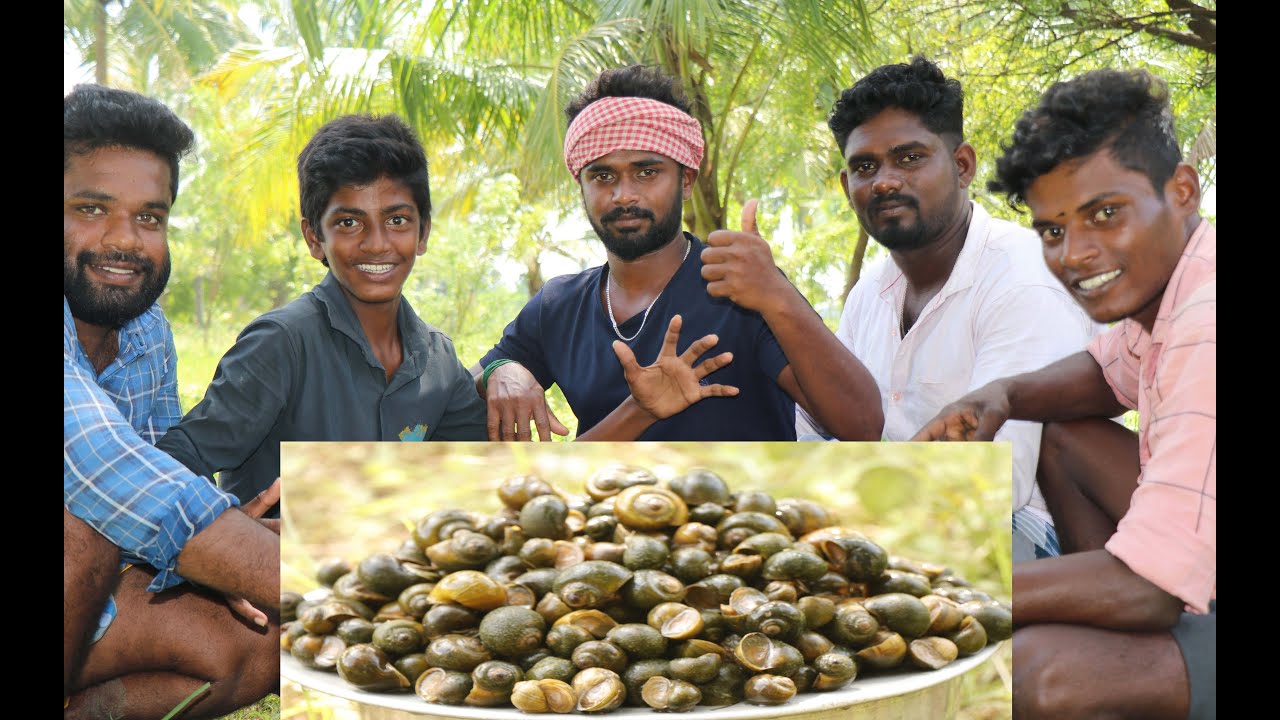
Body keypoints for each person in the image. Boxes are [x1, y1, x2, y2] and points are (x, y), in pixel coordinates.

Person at [914, 68, 1215, 720]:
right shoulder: (1169, 289)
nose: (1076, 254)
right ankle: (1129, 659)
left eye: (1105, 214)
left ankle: (1123, 675)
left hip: (1167, 584)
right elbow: (1103, 378)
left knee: (1035, 671)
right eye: (1053, 230)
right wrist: (1002, 395)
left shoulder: (1207, 320)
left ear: (1181, 190)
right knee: (1060, 426)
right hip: (1188, 572)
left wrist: (939, 589)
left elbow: (1150, 585)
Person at [473, 64, 883, 442]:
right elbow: (456, 394)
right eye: (602, 176)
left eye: (647, 172)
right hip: (606, 517)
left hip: (744, 518)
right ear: (581, 185)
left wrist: (777, 294)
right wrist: (501, 368)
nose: (624, 194)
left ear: (686, 180)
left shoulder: (738, 289)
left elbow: (861, 426)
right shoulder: (558, 305)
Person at [795, 57, 1100, 562]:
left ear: (962, 166)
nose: (884, 181)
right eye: (864, 166)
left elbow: (998, 480)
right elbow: (821, 435)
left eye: (909, 158)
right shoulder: (869, 294)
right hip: (893, 524)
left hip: (1016, 538)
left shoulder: (1024, 278)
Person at [64, 84, 280, 720]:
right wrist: (301, 567)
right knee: (83, 527)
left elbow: (164, 467)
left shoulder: (144, 326)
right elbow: (101, 464)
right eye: (90, 209)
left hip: (89, 592)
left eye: (149, 217)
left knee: (259, 644)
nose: (125, 241)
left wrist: (231, 550)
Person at [156, 114, 488, 512]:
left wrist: (507, 366)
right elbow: (176, 460)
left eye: (397, 220)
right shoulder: (281, 343)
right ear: (315, 238)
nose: (377, 244)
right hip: (273, 571)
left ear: (423, 233)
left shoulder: (440, 360)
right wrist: (222, 531)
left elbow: (477, 478)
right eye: (349, 223)